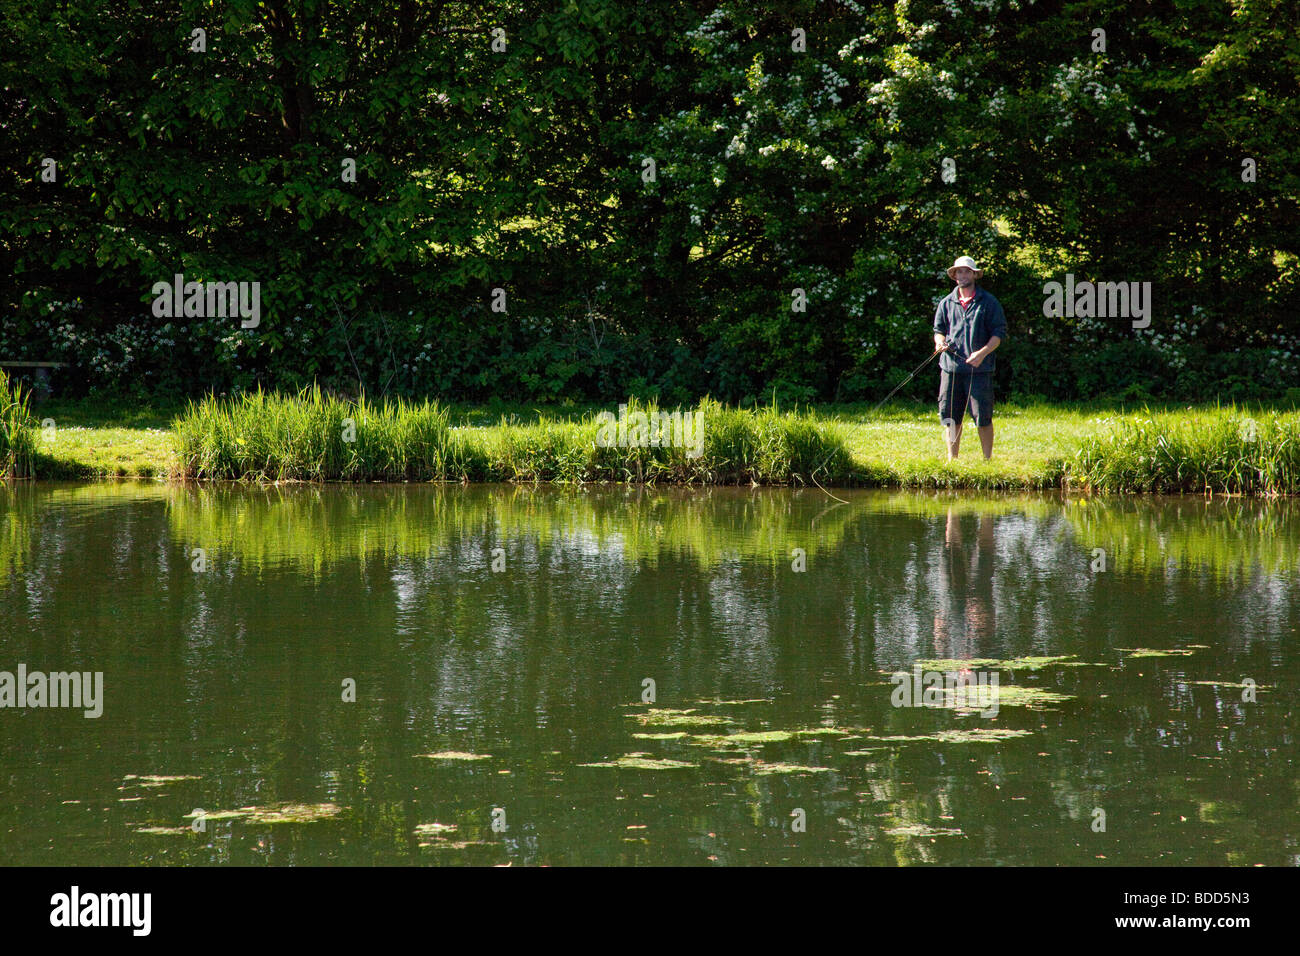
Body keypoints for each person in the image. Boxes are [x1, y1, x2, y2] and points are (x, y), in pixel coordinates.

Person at [932, 255, 1006, 460]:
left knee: (983, 417)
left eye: (966, 271)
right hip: (951, 368)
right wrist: (940, 342)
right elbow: (938, 330)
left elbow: (999, 333)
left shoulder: (989, 302)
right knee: (950, 417)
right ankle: (952, 459)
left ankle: (987, 460)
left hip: (980, 369)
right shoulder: (946, 303)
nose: (962, 275)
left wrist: (982, 353)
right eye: (959, 272)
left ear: (974, 274)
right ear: (954, 276)